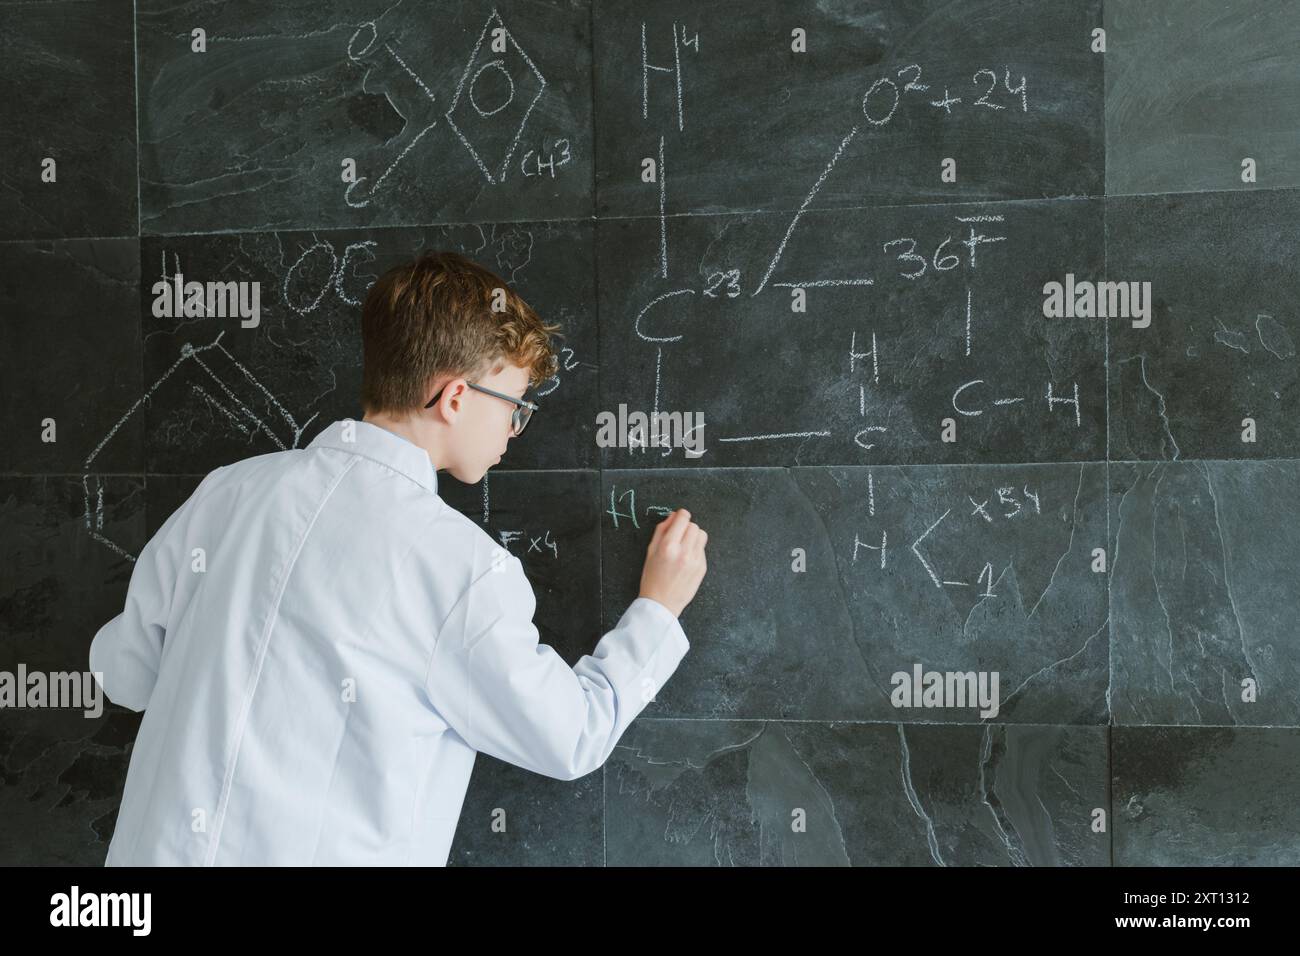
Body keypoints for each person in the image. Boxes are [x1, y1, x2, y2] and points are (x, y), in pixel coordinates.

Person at [88, 250, 708, 865]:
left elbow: (126, 673)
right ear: (456, 397)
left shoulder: (228, 491)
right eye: (514, 407)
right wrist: (657, 610)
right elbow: (572, 735)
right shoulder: (463, 571)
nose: (513, 431)